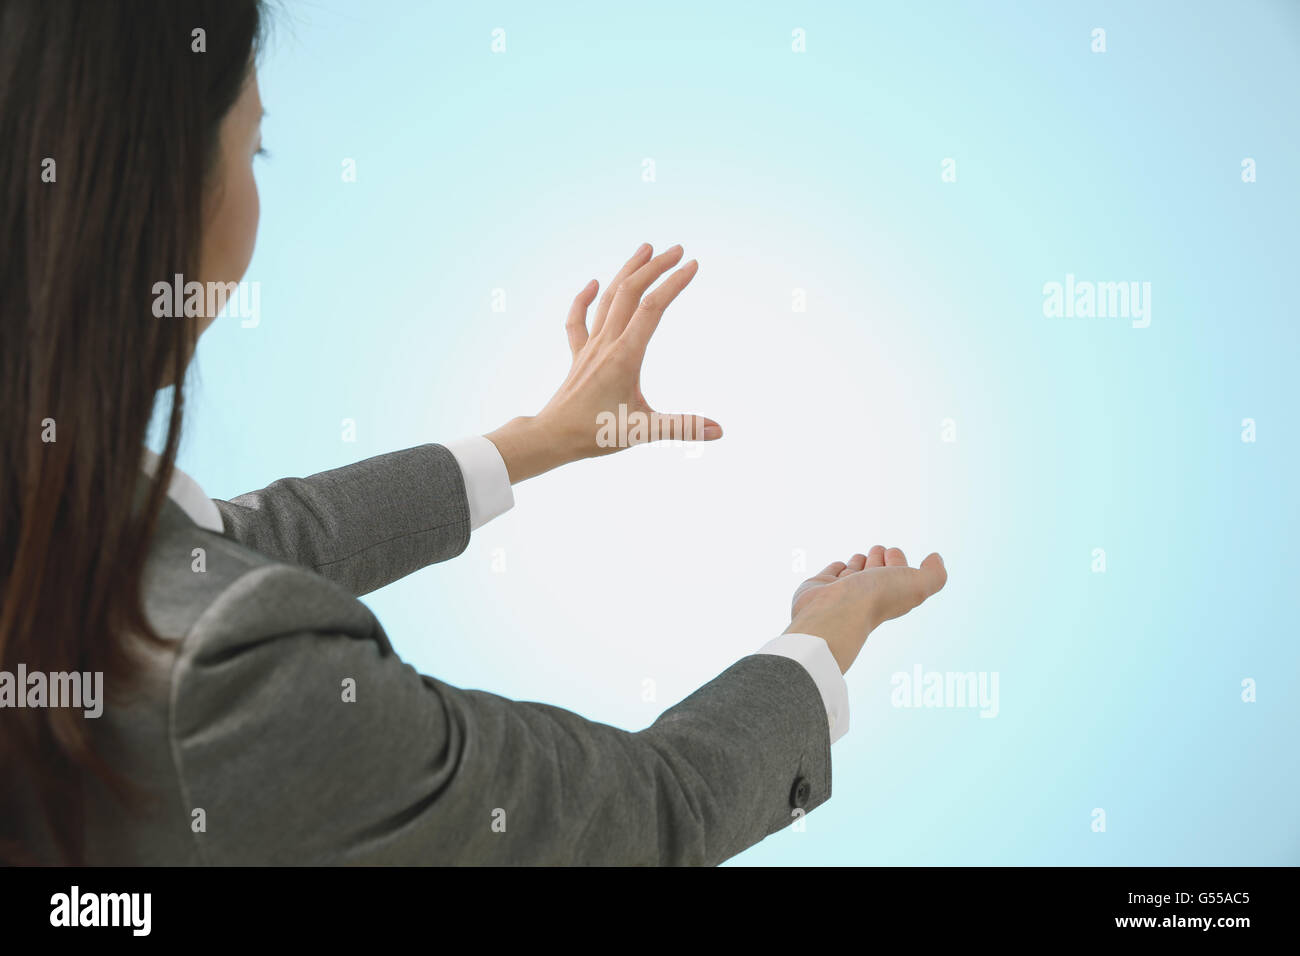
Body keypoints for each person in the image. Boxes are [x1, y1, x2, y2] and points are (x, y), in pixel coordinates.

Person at [0, 0, 947, 865]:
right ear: (151, 202)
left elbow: (229, 549)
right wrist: (819, 639)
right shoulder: (230, 675)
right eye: (255, 153)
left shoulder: (62, 530)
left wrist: (540, 439)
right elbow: (643, 816)